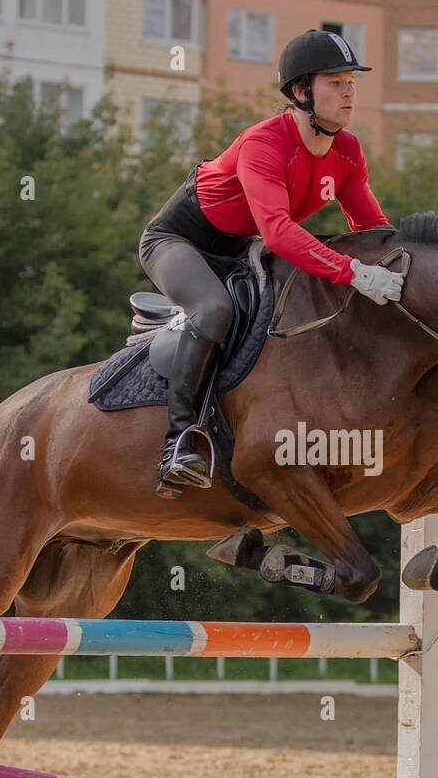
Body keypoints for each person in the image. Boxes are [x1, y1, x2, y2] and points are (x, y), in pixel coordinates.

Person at [138, 29, 403, 497]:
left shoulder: (347, 150)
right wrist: (354, 272)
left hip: (241, 248)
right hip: (181, 241)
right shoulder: (265, 143)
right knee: (214, 310)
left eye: (352, 83)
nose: (348, 92)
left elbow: (373, 229)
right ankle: (178, 443)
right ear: (301, 93)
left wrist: (404, 267)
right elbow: (279, 232)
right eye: (335, 82)